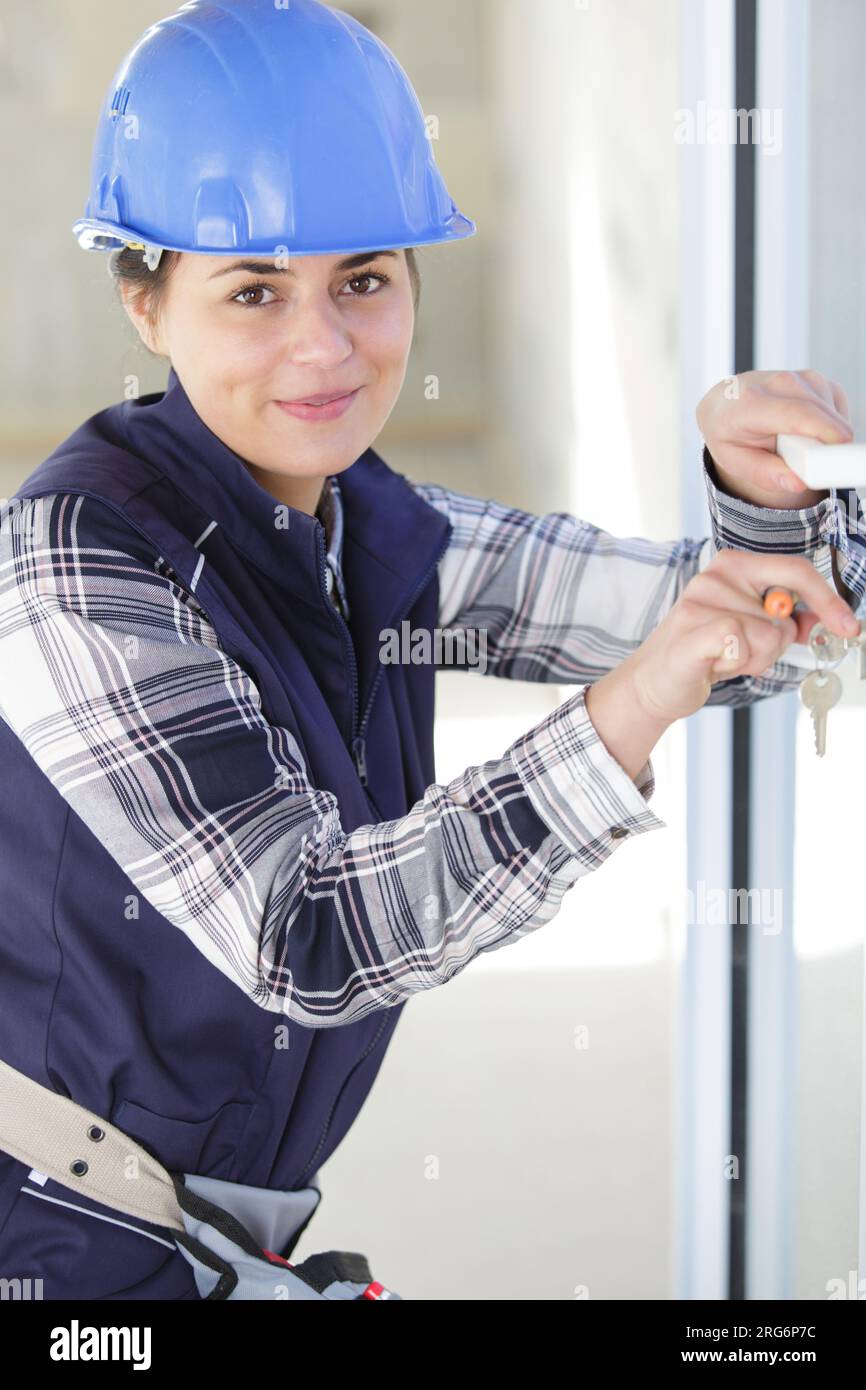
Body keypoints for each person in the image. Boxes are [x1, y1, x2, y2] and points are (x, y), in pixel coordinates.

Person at [0, 0, 863, 1301]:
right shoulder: (76, 565)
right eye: (252, 292)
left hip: (198, 1231)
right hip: (55, 1239)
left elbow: (716, 623)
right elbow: (312, 936)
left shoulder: (368, 531)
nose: (324, 346)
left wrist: (766, 506)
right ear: (145, 304)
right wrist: (622, 717)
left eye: (362, 278)